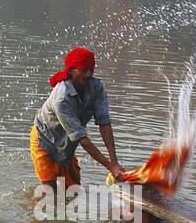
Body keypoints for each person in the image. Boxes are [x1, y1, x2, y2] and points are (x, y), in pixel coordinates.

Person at [30, 47, 125, 187]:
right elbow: (81, 137)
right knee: (50, 192)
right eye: (83, 70)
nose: (88, 74)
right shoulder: (62, 97)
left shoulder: (96, 87)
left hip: (67, 144)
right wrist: (110, 167)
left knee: (74, 190)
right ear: (71, 71)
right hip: (45, 141)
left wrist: (114, 162)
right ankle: (30, 205)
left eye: (91, 70)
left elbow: (104, 123)